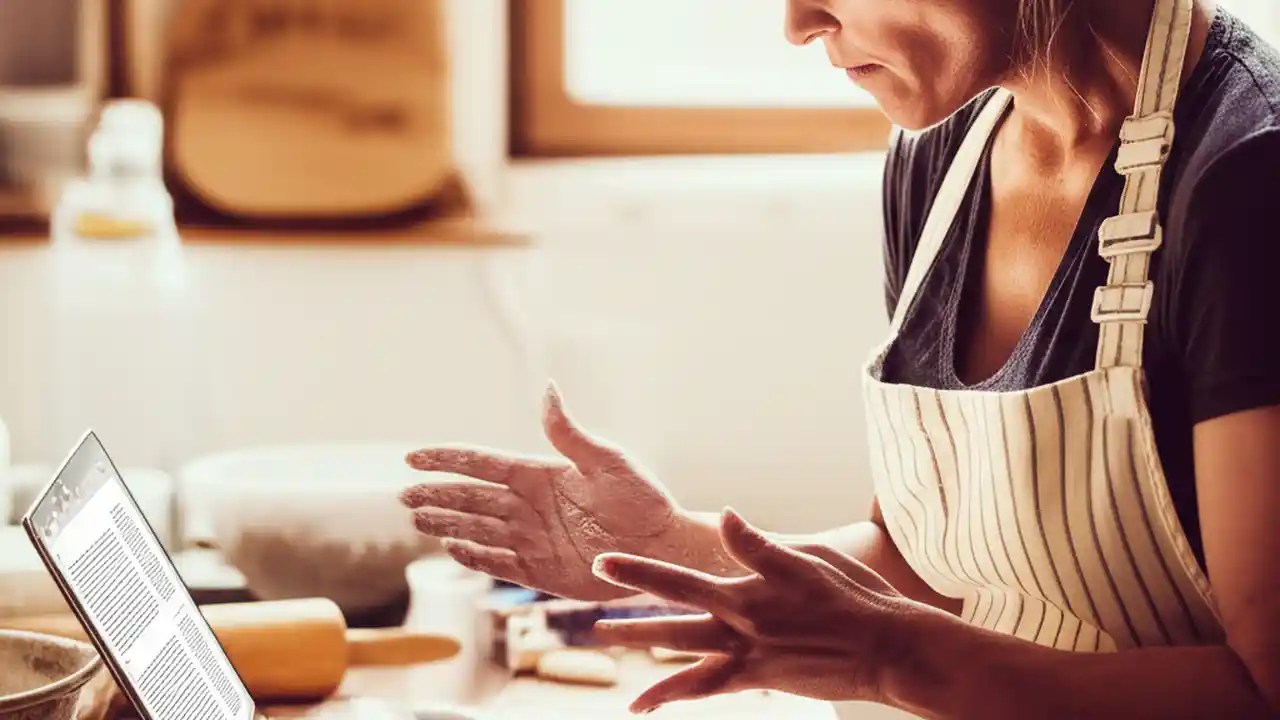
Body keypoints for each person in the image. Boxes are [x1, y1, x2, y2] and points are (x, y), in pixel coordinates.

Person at [400, 0, 1280, 716]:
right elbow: (929, 565)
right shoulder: (939, 159)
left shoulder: (1246, 180)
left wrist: (893, 658)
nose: (798, 21)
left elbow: (1262, 688)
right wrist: (678, 549)